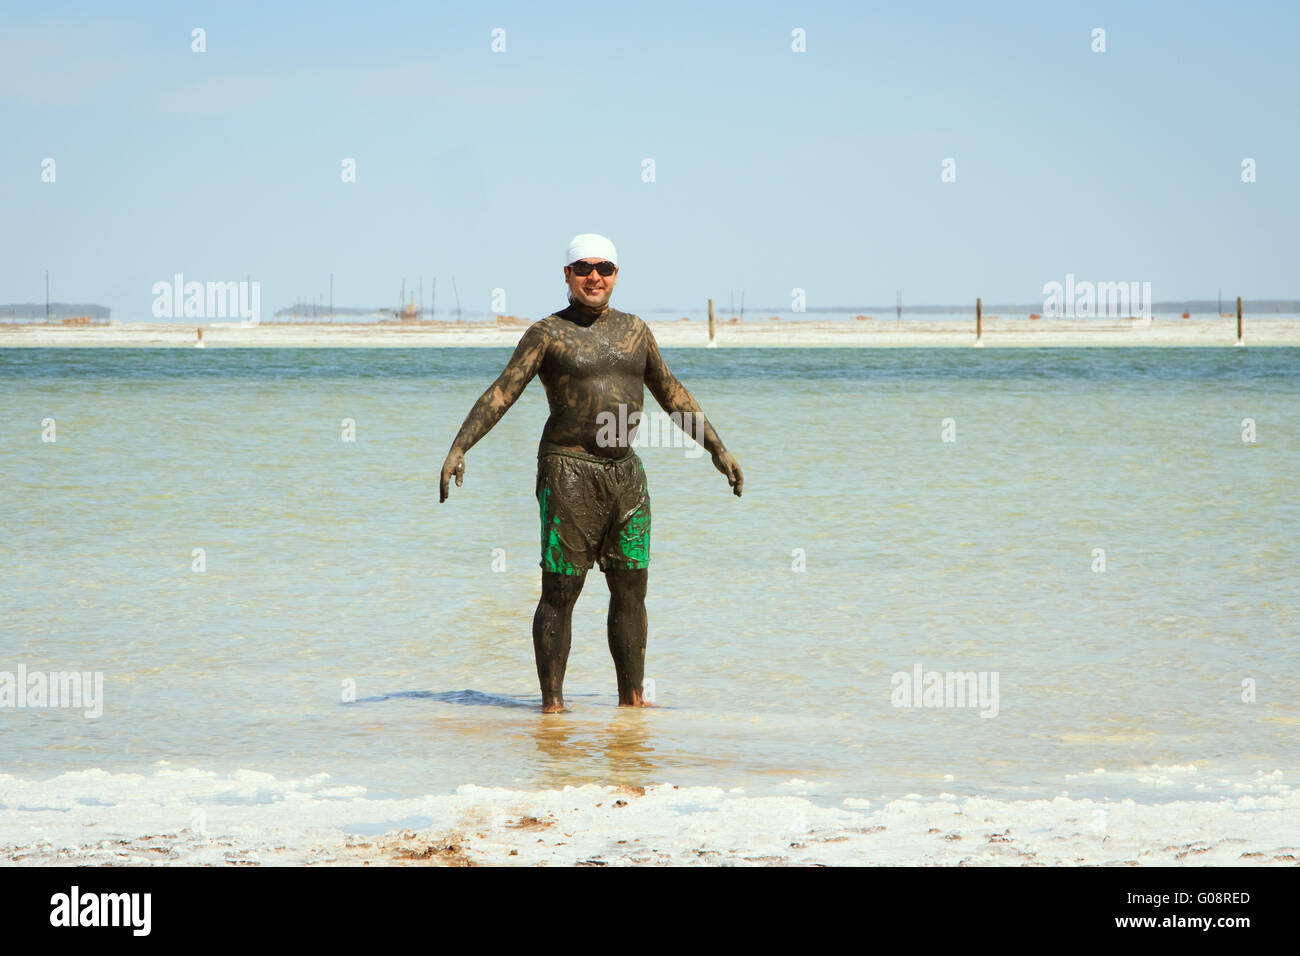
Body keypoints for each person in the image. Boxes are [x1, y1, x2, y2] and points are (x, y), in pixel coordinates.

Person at [439, 233, 743, 713]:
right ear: (567, 276)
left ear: (617, 274)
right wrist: (460, 446)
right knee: (561, 589)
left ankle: (633, 701)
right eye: (582, 268)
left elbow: (671, 392)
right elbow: (503, 391)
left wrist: (717, 450)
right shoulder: (548, 333)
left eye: (603, 267)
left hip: (626, 475)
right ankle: (553, 707)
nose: (593, 276)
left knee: (631, 588)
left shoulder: (636, 331)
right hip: (567, 470)